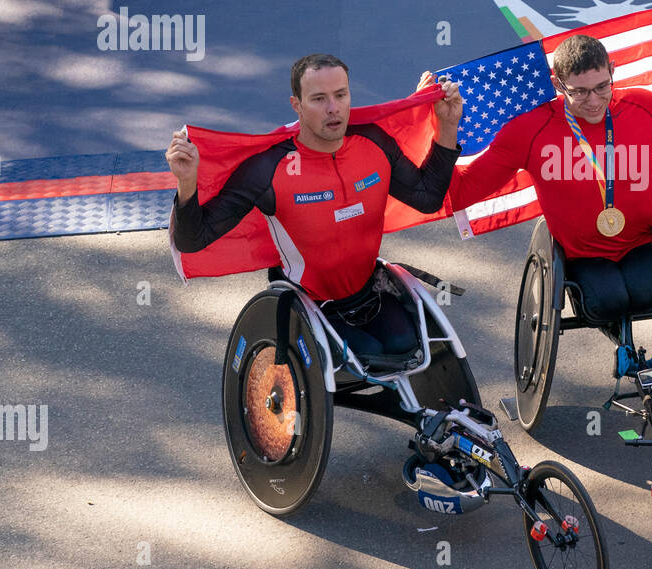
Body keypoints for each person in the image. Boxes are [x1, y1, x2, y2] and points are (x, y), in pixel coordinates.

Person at [167, 53, 463, 363]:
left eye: (340, 95)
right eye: (319, 99)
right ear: (297, 105)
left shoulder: (375, 143)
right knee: (368, 354)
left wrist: (447, 126)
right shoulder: (267, 168)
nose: (333, 108)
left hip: (367, 292)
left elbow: (427, 198)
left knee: (407, 345)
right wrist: (187, 184)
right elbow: (193, 240)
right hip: (307, 304)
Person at [448, 33, 652, 322]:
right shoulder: (529, 130)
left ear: (612, 71)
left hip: (641, 241)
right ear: (558, 84)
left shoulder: (639, 106)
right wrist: (443, 128)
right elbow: (462, 192)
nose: (594, 101)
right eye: (579, 91)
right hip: (584, 255)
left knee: (647, 298)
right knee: (608, 302)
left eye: (601, 86)